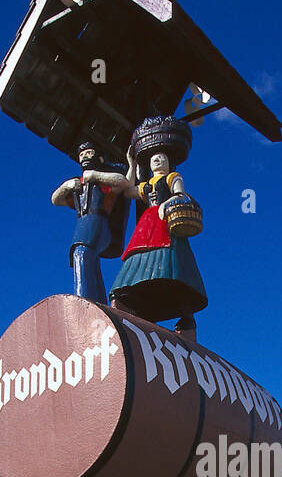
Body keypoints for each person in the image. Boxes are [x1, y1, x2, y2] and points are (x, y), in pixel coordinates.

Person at [109, 117, 207, 340]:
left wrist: (167, 204)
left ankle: (185, 314)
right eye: (153, 159)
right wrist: (132, 165)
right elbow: (126, 191)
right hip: (148, 224)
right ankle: (127, 297)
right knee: (138, 259)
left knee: (171, 266)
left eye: (161, 158)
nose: (157, 161)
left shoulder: (173, 177)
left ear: (168, 161)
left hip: (165, 223)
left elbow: (181, 195)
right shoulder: (147, 185)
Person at [51, 141, 131, 304]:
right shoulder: (79, 185)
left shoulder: (102, 181)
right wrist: (66, 186)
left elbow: (122, 182)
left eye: (89, 153)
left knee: (81, 253)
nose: (84, 157)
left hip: (97, 220)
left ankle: (84, 301)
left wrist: (95, 175)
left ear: (99, 158)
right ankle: (98, 303)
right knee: (91, 261)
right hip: (84, 221)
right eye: (81, 155)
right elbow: (55, 199)